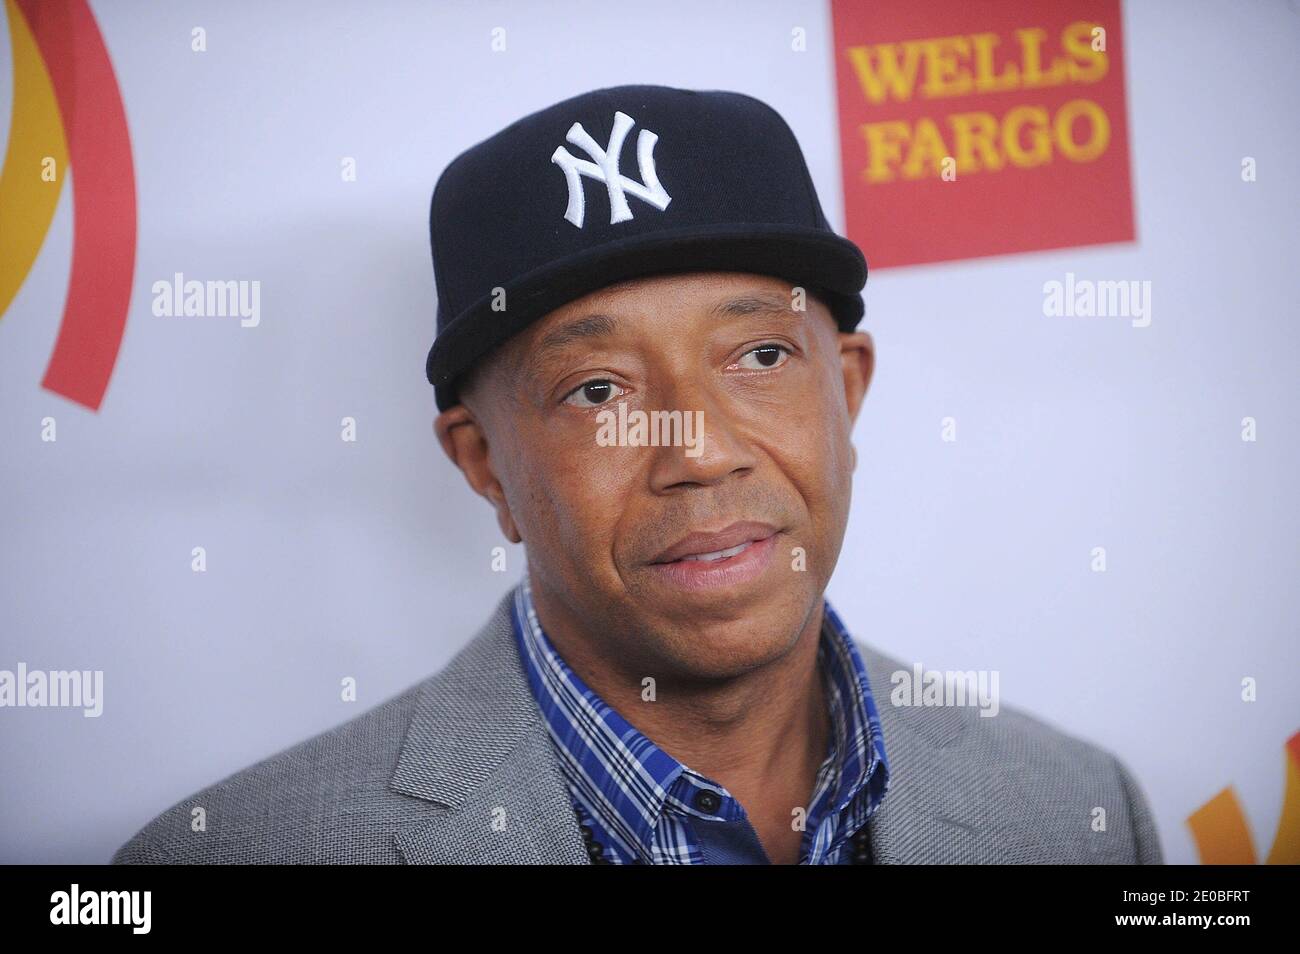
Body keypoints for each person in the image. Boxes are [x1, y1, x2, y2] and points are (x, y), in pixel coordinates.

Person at [112, 84, 1162, 865]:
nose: (699, 450)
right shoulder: (231, 854)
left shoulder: (1076, 810)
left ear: (847, 391)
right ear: (484, 467)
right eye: (598, 391)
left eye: (759, 358)